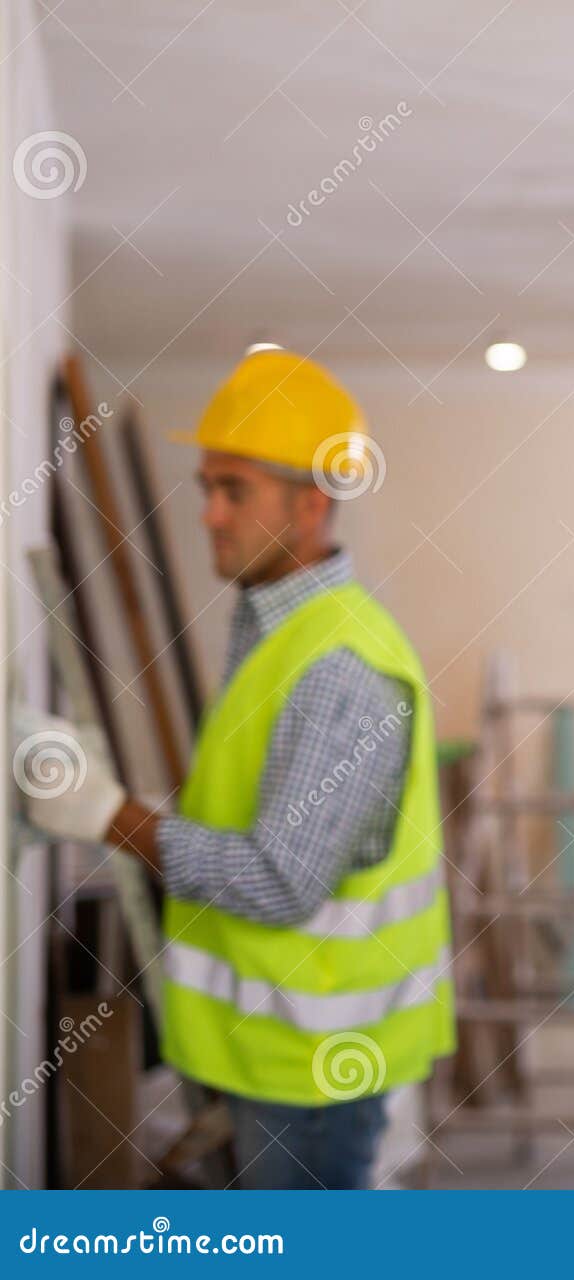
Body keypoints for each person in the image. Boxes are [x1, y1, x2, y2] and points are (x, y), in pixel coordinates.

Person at [17, 349, 454, 1189]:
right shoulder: (278, 628)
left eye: (235, 490)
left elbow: (278, 880)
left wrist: (105, 812)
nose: (210, 515)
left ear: (312, 500)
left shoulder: (339, 665)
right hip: (277, 1050)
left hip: (316, 1066)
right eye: (207, 489)